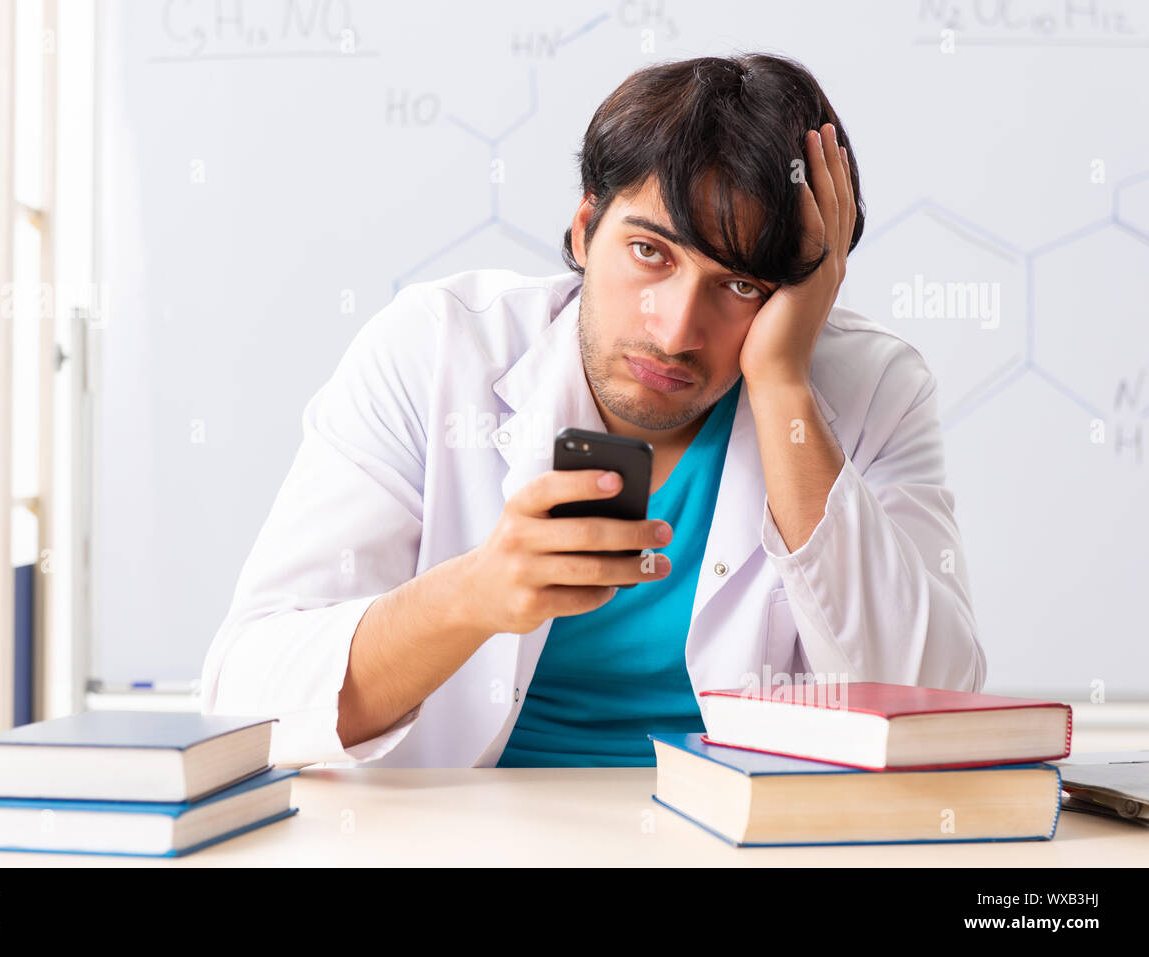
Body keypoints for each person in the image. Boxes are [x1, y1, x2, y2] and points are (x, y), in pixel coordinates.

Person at [200, 54, 986, 768]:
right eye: (651, 253)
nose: (676, 329)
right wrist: (473, 593)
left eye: (739, 284)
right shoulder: (435, 352)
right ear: (585, 229)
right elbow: (244, 694)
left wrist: (781, 384)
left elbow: (933, 710)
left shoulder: (870, 390)